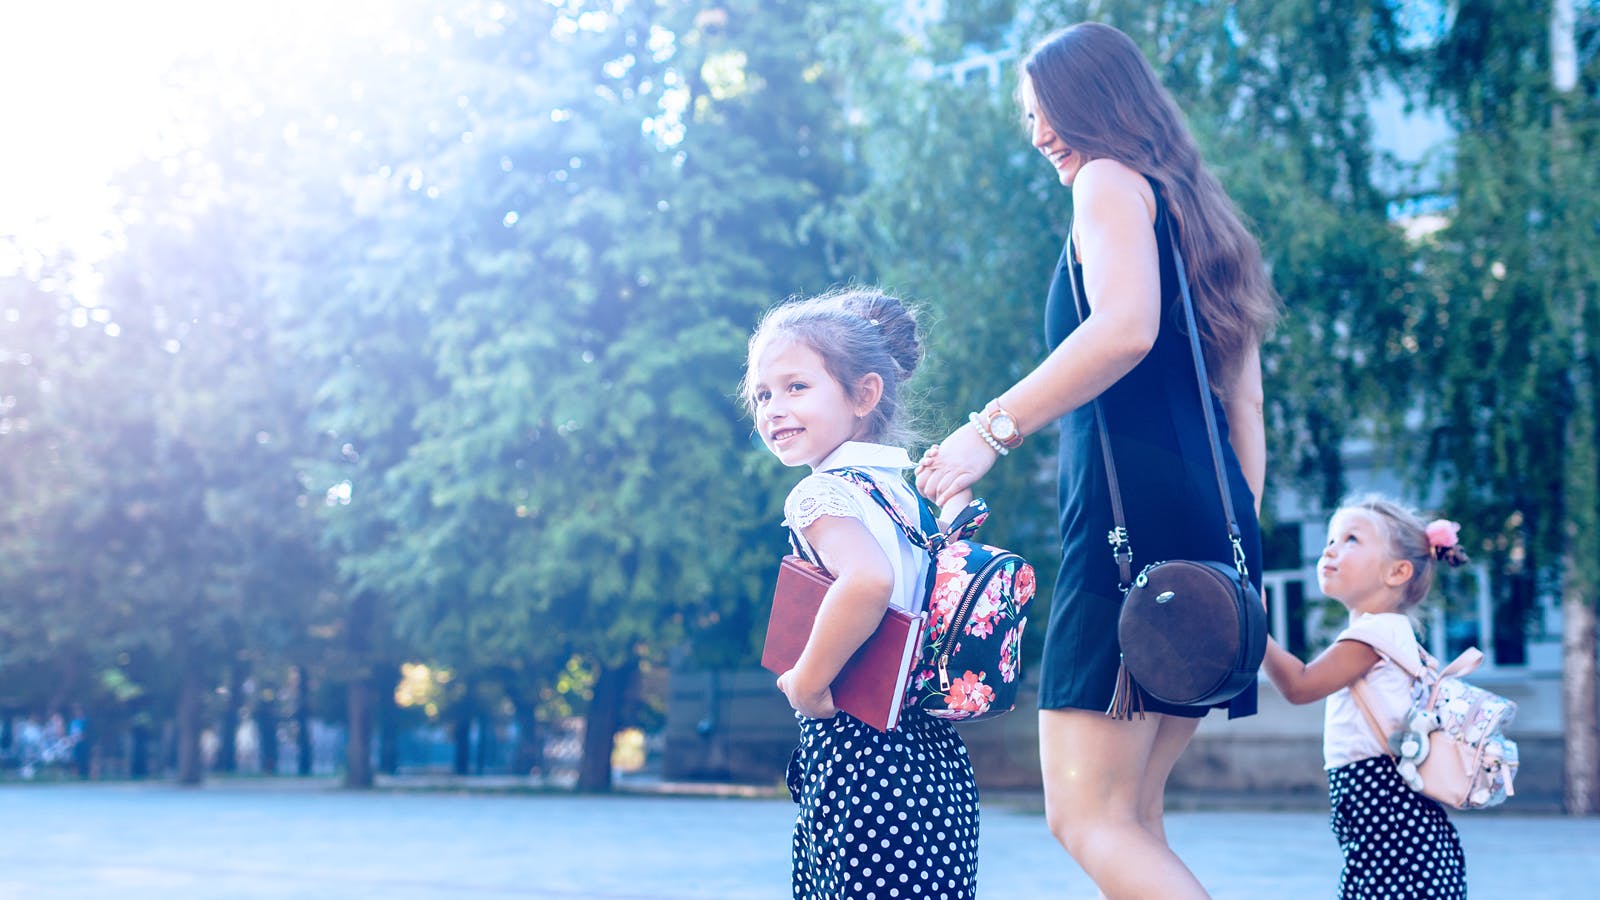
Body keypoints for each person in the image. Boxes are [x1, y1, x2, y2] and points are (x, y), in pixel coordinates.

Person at [914, 21, 1279, 897]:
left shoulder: (1111, 183)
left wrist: (990, 429)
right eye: (1027, 116)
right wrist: (1237, 551)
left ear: (1098, 103)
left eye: (1048, 111)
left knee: (1085, 818)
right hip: (1211, 530)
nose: (1039, 133)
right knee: (1135, 820)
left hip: (1130, 533)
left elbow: (1123, 329)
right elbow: (1247, 404)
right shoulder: (1204, 218)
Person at [744, 287, 980, 900]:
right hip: (931, 753)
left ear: (864, 395)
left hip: (858, 748)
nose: (773, 408)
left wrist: (808, 682)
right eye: (763, 394)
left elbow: (868, 582)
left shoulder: (818, 495)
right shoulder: (905, 497)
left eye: (797, 387)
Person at [1261, 497, 1469, 898]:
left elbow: (1300, 686)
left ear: (1397, 572)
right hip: (1399, 838)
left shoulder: (1376, 635)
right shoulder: (1388, 633)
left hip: (1396, 843)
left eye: (1351, 539)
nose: (1330, 548)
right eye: (1331, 538)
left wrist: (1258, 634)